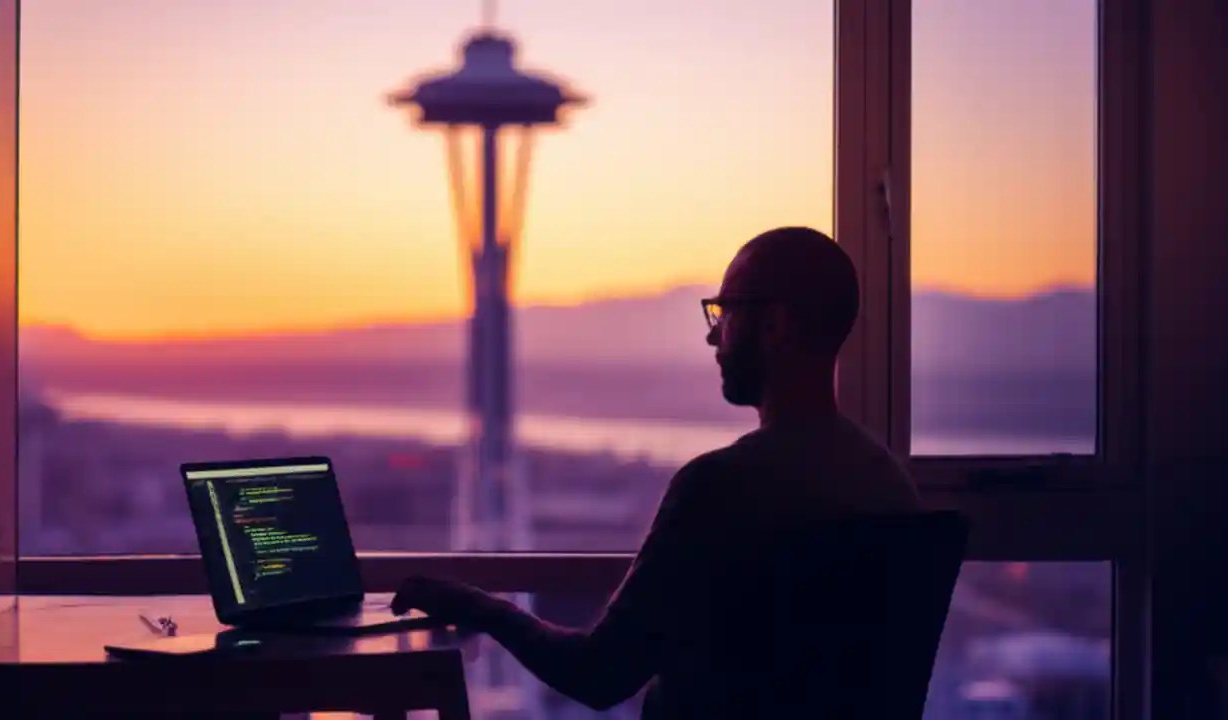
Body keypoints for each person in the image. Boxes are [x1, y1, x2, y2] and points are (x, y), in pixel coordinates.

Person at [392, 226, 922, 717]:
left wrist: (482, 608)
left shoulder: (721, 487)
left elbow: (599, 674)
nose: (714, 338)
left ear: (773, 324)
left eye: (725, 312)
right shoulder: (888, 486)